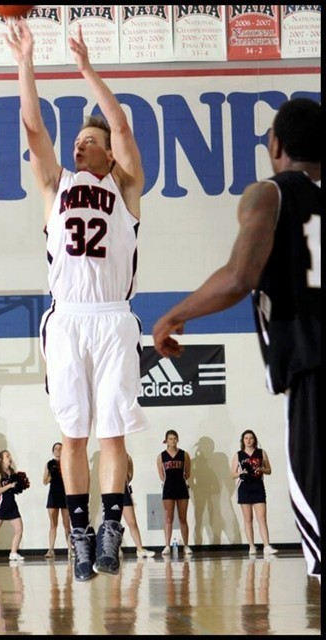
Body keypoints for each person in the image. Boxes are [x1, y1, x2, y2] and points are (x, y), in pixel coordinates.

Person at [152, 97, 319, 580]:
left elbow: (238, 276)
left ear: (276, 145)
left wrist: (173, 315)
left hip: (312, 376)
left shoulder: (270, 194)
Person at [6, 19, 149, 581]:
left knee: (111, 432)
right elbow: (32, 123)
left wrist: (87, 69)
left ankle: (112, 525)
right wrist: (26, 60)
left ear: (110, 153)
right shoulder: (55, 183)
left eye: (91, 141)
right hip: (66, 319)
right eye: (78, 141)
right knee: (74, 435)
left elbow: (120, 123)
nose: (80, 143)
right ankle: (81, 534)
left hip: (113, 317)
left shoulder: (126, 184)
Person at [230, 430, 277, 556]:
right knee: (248, 519)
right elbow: (232, 474)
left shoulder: (261, 453)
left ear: (254, 440)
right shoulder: (238, 455)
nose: (249, 440)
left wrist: (262, 468)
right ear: (243, 440)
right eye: (246, 438)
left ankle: (266, 545)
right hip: (244, 487)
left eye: (251, 438)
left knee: (262, 518)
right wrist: (241, 473)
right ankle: (251, 546)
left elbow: (269, 470)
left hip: (258, 487)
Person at [157, 429, 192, 556]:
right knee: (168, 517)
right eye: (170, 438)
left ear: (178, 439)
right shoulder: (161, 456)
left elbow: (187, 473)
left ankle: (186, 545)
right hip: (168, 488)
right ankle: (167, 545)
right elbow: (161, 475)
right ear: (166, 440)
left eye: (175, 438)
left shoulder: (184, 454)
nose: (173, 441)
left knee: (183, 518)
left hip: (181, 487)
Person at [123, 453, 154, 558]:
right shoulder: (107, 456)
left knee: (132, 522)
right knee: (112, 523)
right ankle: (113, 549)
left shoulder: (127, 457)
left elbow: (130, 475)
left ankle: (140, 549)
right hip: (110, 493)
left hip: (124, 490)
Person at [43, 442, 70, 559]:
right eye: (56, 449)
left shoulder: (68, 462)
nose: (58, 451)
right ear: (53, 451)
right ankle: (51, 549)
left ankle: (70, 549)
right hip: (54, 495)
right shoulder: (49, 464)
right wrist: (52, 473)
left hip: (65, 495)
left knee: (66, 524)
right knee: (53, 524)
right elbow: (44, 481)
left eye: (60, 448)